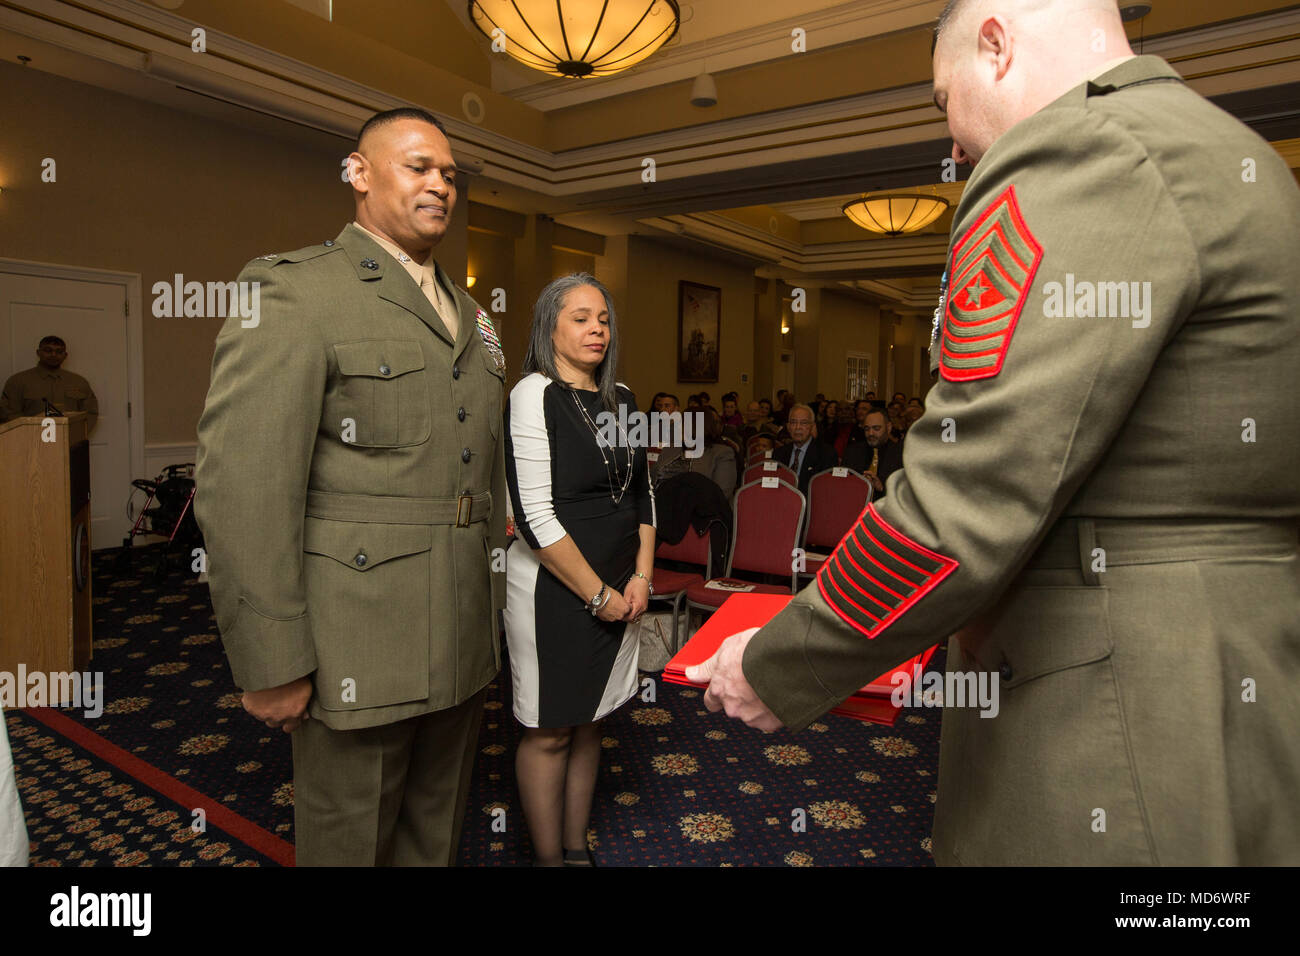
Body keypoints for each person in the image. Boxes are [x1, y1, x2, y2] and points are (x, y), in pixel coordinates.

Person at [688, 0, 1300, 866]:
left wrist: (782, 661)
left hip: (1115, 706)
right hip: (1229, 670)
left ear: (997, 44)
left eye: (943, 100)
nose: (952, 145)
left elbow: (967, 490)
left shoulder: (1086, 150)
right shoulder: (1238, 154)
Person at [195, 107, 507, 866]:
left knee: (433, 842)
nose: (440, 185)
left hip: (463, 635)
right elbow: (245, 489)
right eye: (418, 166)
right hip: (357, 639)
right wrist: (272, 661)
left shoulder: (470, 314)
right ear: (358, 175)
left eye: (450, 174)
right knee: (350, 846)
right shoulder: (296, 291)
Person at [504, 273, 656, 867]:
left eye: (604, 318)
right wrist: (599, 596)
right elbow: (535, 517)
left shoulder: (623, 397)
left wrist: (641, 577)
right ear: (549, 326)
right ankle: (547, 858)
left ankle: (574, 847)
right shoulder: (534, 394)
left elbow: (642, 494)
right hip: (557, 592)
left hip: (624, 591)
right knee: (550, 729)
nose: (597, 328)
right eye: (580, 317)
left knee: (592, 723)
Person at [2, 336, 99, 433]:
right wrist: (29, 435)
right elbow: (9, 414)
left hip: (70, 442)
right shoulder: (18, 381)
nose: (53, 355)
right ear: (38, 353)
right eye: (48, 350)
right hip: (30, 442)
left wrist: (76, 433)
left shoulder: (79, 382)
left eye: (59, 352)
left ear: (65, 355)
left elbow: (90, 413)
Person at [654, 407, 739, 498]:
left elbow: (721, 494)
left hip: (701, 509)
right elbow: (652, 480)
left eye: (681, 423)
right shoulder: (670, 449)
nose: (677, 427)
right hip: (660, 505)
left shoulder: (721, 453)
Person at [771, 404, 837, 494]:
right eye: (793, 422)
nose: (798, 427)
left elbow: (825, 491)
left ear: (812, 427)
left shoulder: (826, 454)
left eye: (804, 423)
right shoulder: (778, 453)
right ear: (788, 427)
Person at [842, 407, 904, 497]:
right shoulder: (852, 451)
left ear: (889, 427)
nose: (870, 433)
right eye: (867, 429)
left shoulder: (901, 454)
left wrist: (882, 488)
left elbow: (907, 495)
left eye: (876, 428)